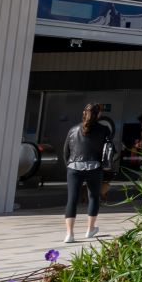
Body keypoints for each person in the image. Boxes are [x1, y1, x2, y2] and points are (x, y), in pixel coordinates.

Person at [62, 104, 115, 244]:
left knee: (72, 199)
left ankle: (69, 234)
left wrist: (69, 166)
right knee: (93, 197)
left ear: (84, 113)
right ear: (98, 115)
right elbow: (110, 148)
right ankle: (90, 230)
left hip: (74, 167)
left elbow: (65, 151)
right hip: (94, 167)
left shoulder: (73, 129)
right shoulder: (104, 129)